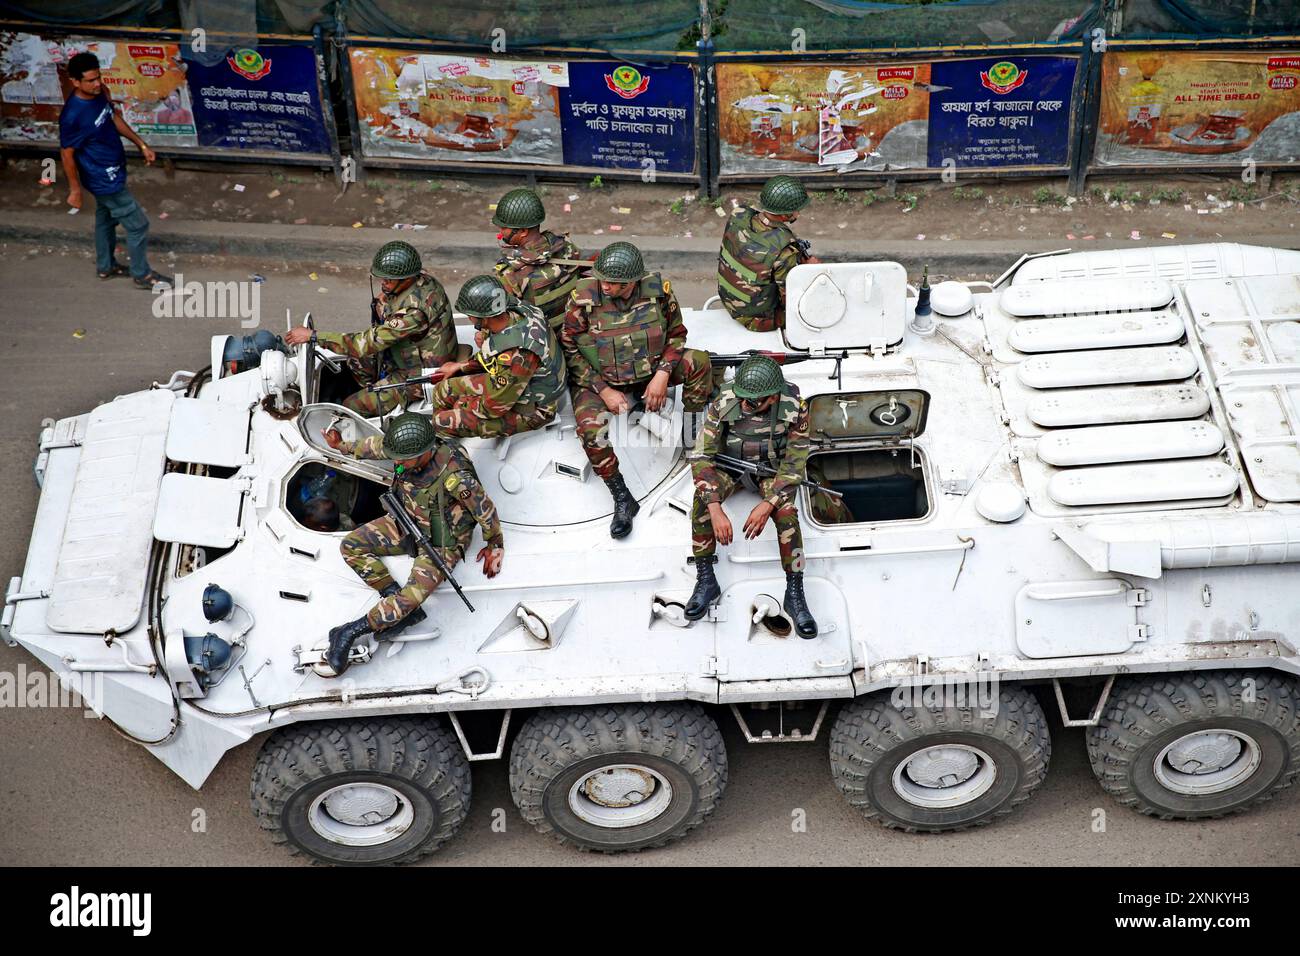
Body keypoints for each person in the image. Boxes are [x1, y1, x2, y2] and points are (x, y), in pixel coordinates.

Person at [322, 413, 503, 676]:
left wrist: (494, 544)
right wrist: (342, 446)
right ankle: (391, 597)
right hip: (406, 521)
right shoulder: (406, 448)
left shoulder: (455, 477)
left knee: (410, 598)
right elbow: (375, 446)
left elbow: (484, 510)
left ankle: (350, 631)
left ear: (424, 453)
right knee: (351, 546)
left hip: (443, 540)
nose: (396, 462)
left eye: (403, 460)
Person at [560, 241, 714, 539]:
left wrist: (663, 374)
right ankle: (621, 496)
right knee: (590, 429)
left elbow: (677, 334)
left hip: (648, 372)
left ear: (632, 282)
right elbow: (569, 349)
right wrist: (603, 390)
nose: (605, 286)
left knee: (700, 362)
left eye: (613, 283)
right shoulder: (583, 300)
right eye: (602, 279)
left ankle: (693, 436)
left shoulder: (658, 294)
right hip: (602, 379)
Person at [685, 355, 818, 638]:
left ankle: (795, 592)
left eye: (753, 402)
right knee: (702, 501)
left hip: (772, 474)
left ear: (773, 397)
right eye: (743, 399)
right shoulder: (725, 400)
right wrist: (715, 507)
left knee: (786, 514)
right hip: (730, 469)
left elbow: (795, 462)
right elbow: (701, 454)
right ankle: (706, 578)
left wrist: (769, 502)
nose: (745, 405)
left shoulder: (795, 407)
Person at [284, 241, 462, 417]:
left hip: (424, 375)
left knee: (351, 406)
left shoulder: (414, 313)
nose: (383, 284)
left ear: (407, 279)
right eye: (382, 278)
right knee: (355, 361)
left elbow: (364, 343)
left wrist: (313, 336)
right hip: (413, 355)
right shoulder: (422, 280)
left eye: (389, 280)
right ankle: (369, 387)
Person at [59, 51, 171, 290]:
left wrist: (141, 144)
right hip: (103, 179)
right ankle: (142, 274)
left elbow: (113, 118)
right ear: (75, 82)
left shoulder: (100, 94)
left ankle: (105, 266)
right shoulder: (72, 115)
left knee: (105, 219)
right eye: (90, 80)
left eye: (98, 77)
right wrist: (74, 189)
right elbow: (67, 154)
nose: (97, 83)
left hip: (114, 168)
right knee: (138, 224)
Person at [429, 274, 566, 439]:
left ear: (484, 318)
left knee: (440, 422)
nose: (469, 317)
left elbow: (493, 407)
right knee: (441, 390)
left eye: (470, 314)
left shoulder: (518, 355)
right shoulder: (520, 310)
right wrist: (460, 366)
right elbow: (497, 347)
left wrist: (463, 404)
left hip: (534, 409)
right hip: (517, 387)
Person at [716, 175, 820, 332]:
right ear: (785, 215)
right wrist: (809, 272)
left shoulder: (739, 214)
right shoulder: (786, 251)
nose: (798, 214)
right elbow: (792, 300)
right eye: (797, 210)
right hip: (757, 320)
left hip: (728, 299)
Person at [492, 188, 588, 329]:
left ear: (523, 231)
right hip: (573, 331)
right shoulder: (566, 245)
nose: (500, 232)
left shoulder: (508, 272)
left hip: (543, 343)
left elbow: (503, 322)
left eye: (503, 228)